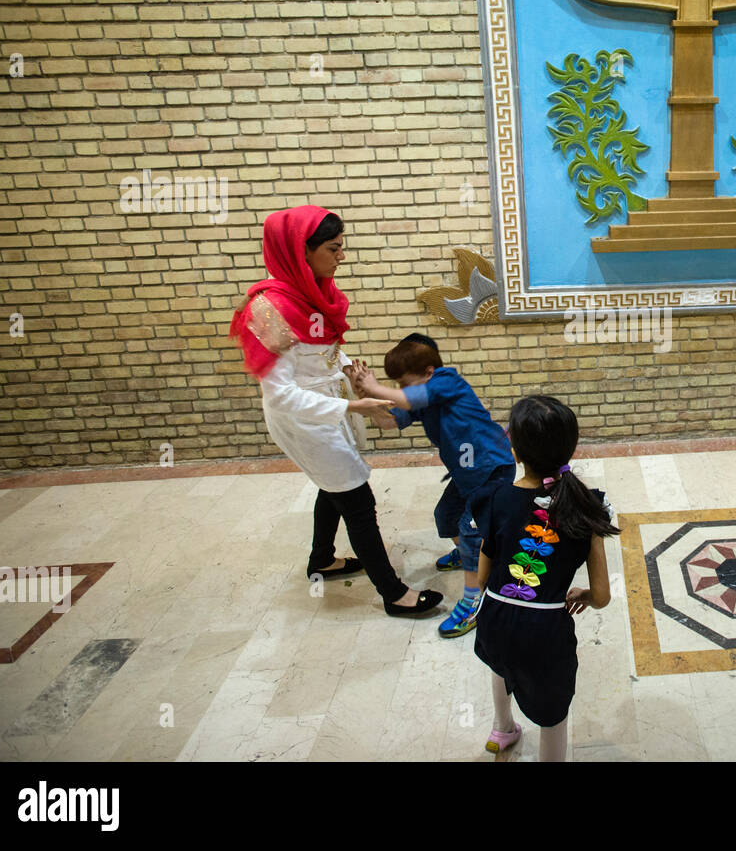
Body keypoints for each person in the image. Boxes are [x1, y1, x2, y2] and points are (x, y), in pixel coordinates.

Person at [228, 205, 442, 618]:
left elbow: (322, 348)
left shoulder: (310, 291)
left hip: (329, 406)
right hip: (304, 418)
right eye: (333, 248)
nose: (341, 256)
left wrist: (347, 369)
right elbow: (280, 395)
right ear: (299, 251)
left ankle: (321, 560)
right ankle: (394, 593)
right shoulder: (268, 309)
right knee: (356, 499)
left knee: (333, 486)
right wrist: (351, 403)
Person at [469, 395, 617, 761]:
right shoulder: (589, 506)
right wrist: (580, 595)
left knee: (501, 665)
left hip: (496, 619)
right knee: (553, 714)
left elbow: (482, 578)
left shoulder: (495, 498)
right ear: (571, 447)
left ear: (515, 451)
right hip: (546, 633)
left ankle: (502, 730)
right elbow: (601, 595)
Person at [348, 335, 516, 638]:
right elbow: (389, 422)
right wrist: (363, 398)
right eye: (397, 384)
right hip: (466, 474)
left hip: (491, 468)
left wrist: (375, 387)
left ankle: (473, 598)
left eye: (404, 382)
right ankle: (467, 553)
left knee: (469, 530)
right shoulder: (417, 395)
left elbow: (411, 398)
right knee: (445, 517)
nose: (401, 389)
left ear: (428, 372)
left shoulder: (447, 381)